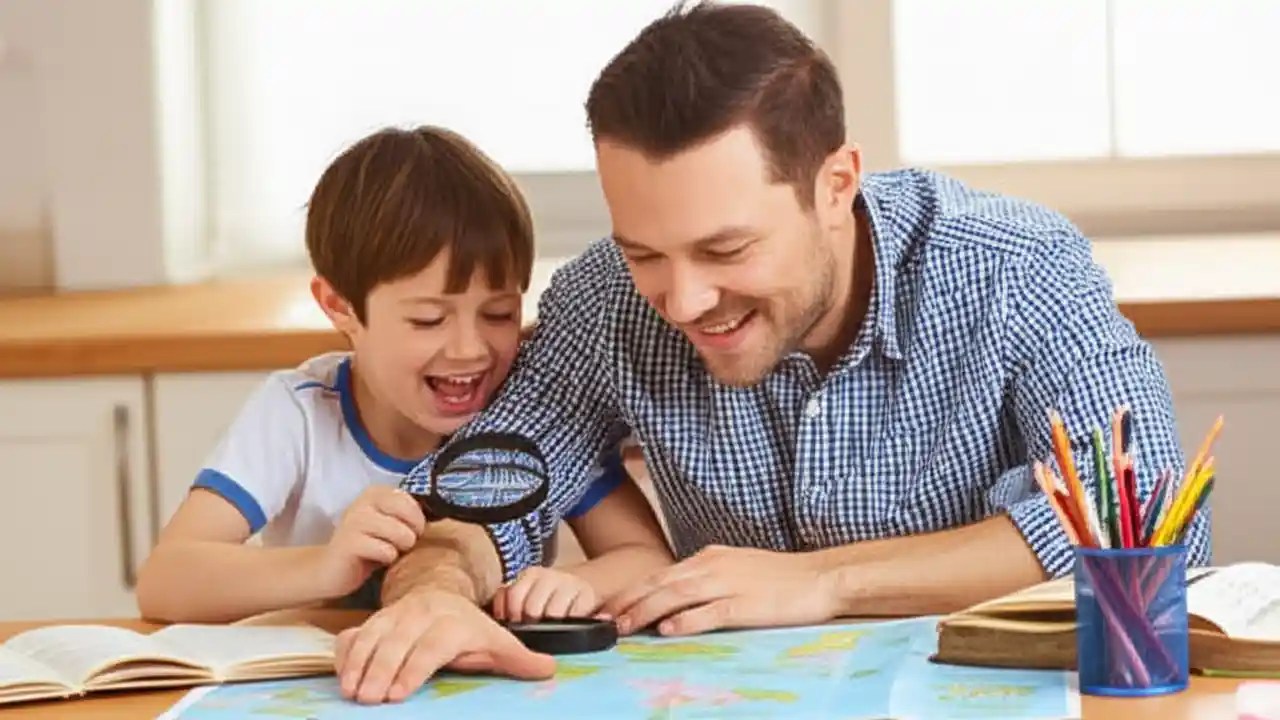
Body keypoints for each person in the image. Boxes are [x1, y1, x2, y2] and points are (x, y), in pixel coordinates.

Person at [331, 1, 1211, 705]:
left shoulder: (1015, 267)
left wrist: (823, 585)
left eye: (725, 251)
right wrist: (435, 593)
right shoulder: (602, 302)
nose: (683, 301)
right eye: (645, 252)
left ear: (835, 185)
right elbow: (482, 492)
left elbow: (1134, 515)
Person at [134, 125, 672, 625]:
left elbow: (645, 557)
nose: (470, 349)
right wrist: (325, 567)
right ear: (339, 306)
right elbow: (167, 579)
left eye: (500, 314)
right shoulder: (297, 414)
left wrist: (581, 584)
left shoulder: (533, 415)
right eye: (428, 319)